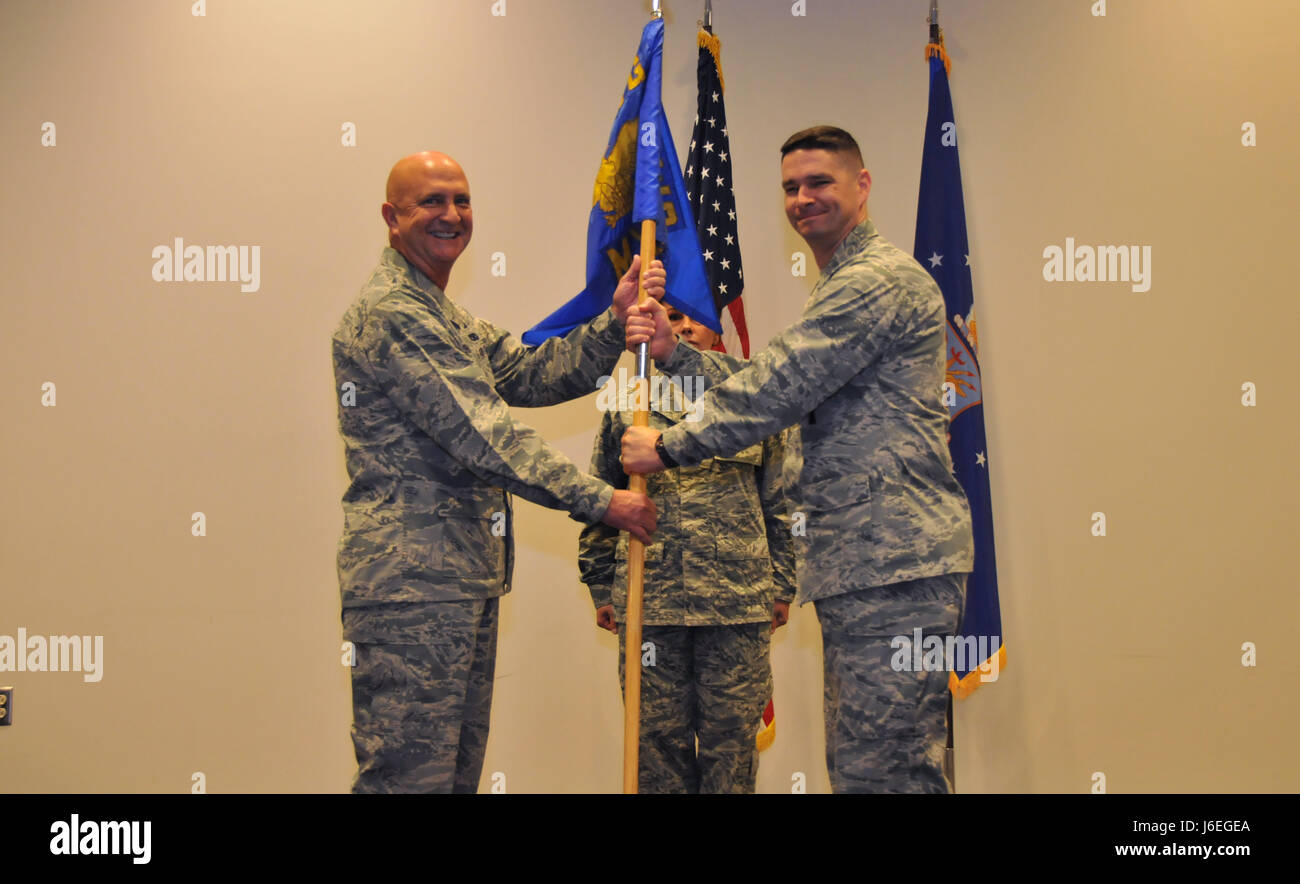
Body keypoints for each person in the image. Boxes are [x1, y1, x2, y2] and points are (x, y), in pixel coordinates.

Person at [620, 126, 974, 793]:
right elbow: (782, 385)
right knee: (869, 769)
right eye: (791, 187)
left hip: (894, 568)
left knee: (886, 774)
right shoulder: (841, 281)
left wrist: (667, 446)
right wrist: (676, 355)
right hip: (869, 568)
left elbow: (780, 384)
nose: (804, 199)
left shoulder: (875, 281)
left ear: (862, 186)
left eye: (820, 183)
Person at [332, 151, 660, 793]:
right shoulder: (394, 313)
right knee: (408, 781)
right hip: (413, 588)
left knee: (451, 781)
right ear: (390, 218)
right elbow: (486, 436)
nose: (451, 215)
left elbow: (526, 372)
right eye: (430, 201)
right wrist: (603, 501)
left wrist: (613, 326)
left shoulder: (440, 313)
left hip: (456, 580)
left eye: (461, 199)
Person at [579, 312, 798, 793]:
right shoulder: (627, 404)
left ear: (716, 328)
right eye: (672, 319)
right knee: (655, 749)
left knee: (732, 751)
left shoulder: (753, 399)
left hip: (736, 608)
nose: (683, 328)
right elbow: (601, 500)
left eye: (695, 318)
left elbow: (781, 501)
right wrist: (600, 585)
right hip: (649, 605)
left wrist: (782, 585)